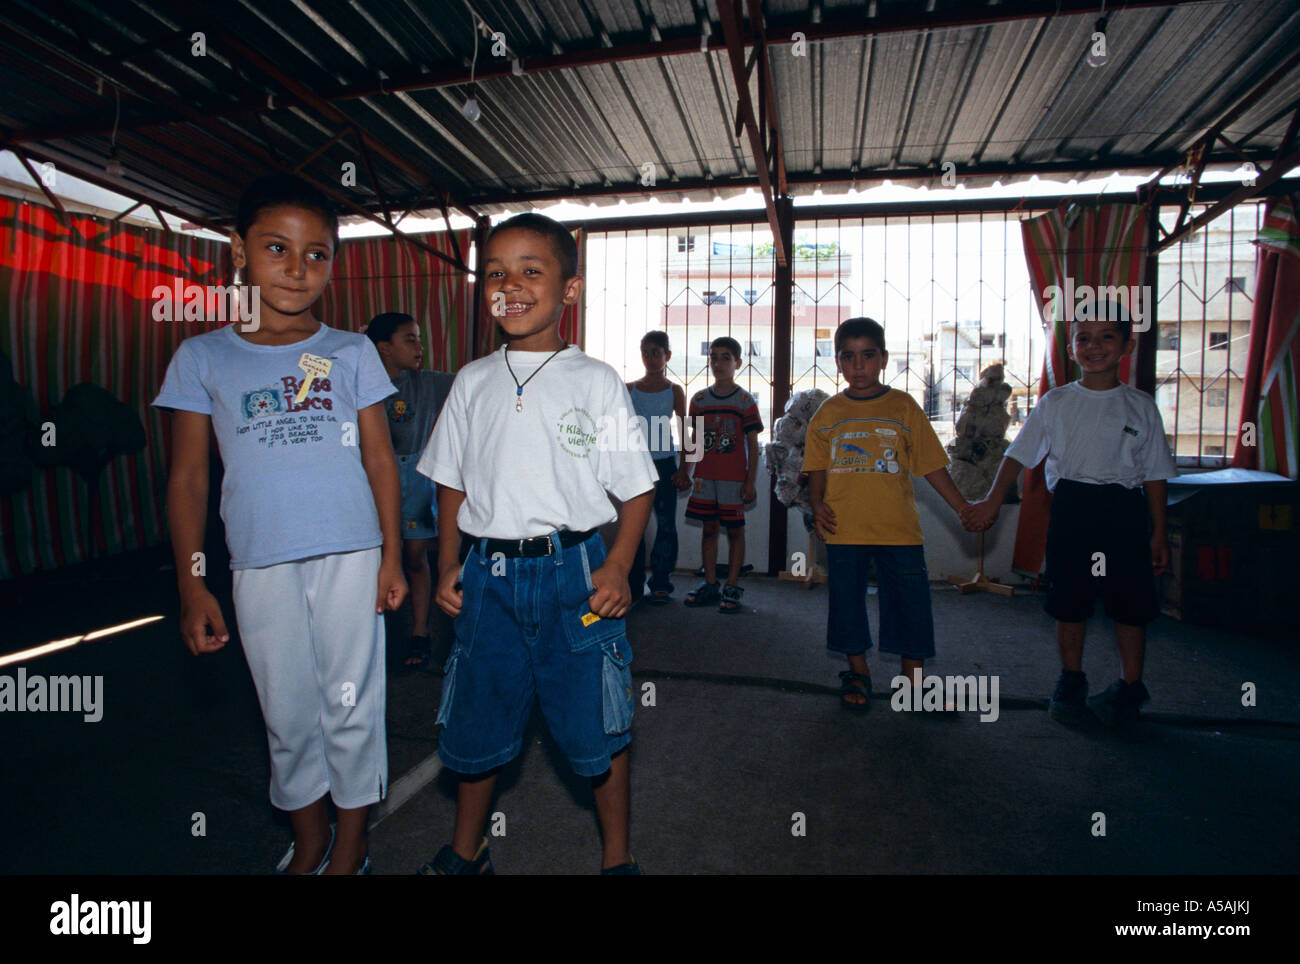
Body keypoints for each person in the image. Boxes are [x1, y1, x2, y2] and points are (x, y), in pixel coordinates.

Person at [153, 174, 406, 874]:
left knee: (351, 701)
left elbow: (382, 461)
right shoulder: (203, 357)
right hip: (258, 559)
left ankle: (352, 840)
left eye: (318, 254)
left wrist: (390, 557)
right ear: (238, 250)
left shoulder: (353, 352)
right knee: (287, 711)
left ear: (335, 261)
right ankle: (310, 836)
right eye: (277, 249)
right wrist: (192, 584)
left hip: (351, 552)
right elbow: (189, 478)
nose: (298, 270)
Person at [416, 212, 656, 875]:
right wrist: (445, 565)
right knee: (477, 721)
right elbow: (450, 484)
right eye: (495, 273)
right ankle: (467, 851)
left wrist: (618, 563)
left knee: (598, 726)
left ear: (569, 289)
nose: (510, 285)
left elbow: (637, 489)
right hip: (485, 576)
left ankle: (617, 858)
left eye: (531, 270)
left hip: (574, 575)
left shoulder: (597, 380)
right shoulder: (470, 381)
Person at [964, 303, 1175, 726]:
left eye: (1106, 337)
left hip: (1125, 511)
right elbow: (1017, 456)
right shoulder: (1055, 403)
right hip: (1074, 508)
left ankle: (1130, 687)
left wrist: (1158, 532)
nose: (1094, 347)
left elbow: (1154, 474)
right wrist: (990, 501)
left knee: (1130, 605)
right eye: (1083, 338)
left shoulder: (1141, 406)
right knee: (1069, 601)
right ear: (1071, 347)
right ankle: (1071, 680)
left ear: (1127, 345)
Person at [803, 317, 976, 711]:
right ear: (837, 362)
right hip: (844, 530)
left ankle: (913, 683)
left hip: (899, 531)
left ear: (883, 358)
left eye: (867, 356)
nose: (858, 365)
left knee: (910, 604)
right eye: (848, 357)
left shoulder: (903, 407)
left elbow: (932, 464)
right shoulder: (828, 414)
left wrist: (962, 506)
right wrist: (817, 504)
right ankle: (858, 673)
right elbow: (816, 467)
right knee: (846, 603)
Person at [366, 312, 455, 669]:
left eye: (419, 339)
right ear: (383, 348)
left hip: (416, 478)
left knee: (415, 556)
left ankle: (419, 633)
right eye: (409, 339)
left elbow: (475, 380)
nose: (419, 348)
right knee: (376, 558)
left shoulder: (429, 383)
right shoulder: (362, 384)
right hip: (372, 479)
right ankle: (373, 633)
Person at [676, 336, 762, 613]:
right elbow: (693, 441)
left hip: (733, 479)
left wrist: (750, 481)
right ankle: (711, 583)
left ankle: (732, 584)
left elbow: (752, 445)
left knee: (735, 531)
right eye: (714, 357)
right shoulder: (699, 400)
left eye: (726, 357)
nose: (718, 363)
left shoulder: (745, 401)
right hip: (704, 477)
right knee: (709, 529)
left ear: (737, 363)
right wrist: (684, 471)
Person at [626, 330, 687, 604]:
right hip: (637, 465)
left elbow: (686, 432)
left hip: (664, 465)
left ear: (667, 356)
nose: (651, 359)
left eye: (656, 353)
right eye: (646, 353)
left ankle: (661, 582)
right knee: (634, 527)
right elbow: (620, 431)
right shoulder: (629, 389)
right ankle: (633, 582)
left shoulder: (675, 391)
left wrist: (684, 469)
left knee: (665, 526)